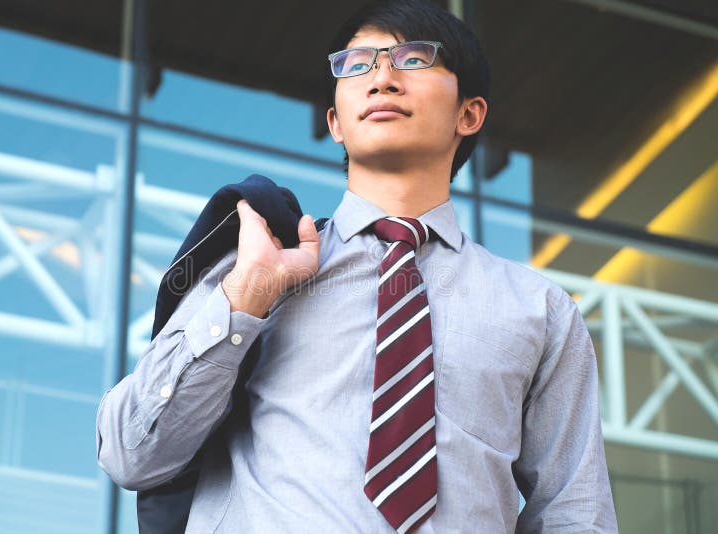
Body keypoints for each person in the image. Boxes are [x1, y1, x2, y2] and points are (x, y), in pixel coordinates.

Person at [96, 0, 619, 531]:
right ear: (335, 124)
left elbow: (575, 511)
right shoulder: (260, 261)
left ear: (470, 114)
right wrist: (246, 296)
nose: (382, 78)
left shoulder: (541, 310)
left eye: (414, 59)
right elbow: (130, 455)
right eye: (357, 64)